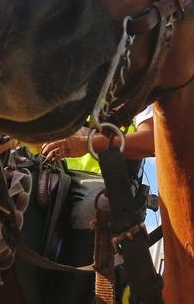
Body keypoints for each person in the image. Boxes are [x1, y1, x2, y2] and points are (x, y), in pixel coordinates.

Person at [41, 110, 155, 299]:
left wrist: (88, 144)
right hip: (52, 169)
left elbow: (150, 141)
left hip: (110, 180)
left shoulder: (140, 95)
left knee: (91, 211)